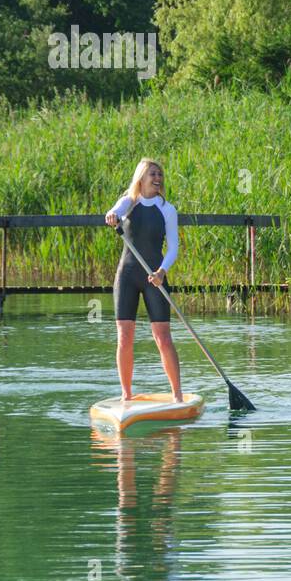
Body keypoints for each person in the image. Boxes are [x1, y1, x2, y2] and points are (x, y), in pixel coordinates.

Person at [104, 158, 183, 403]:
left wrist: (162, 271)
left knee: (162, 337)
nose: (158, 178)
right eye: (153, 174)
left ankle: (177, 395)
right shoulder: (129, 201)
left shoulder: (167, 209)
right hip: (127, 276)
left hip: (154, 277)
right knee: (124, 336)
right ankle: (126, 394)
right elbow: (116, 210)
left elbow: (173, 247)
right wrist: (112, 215)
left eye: (160, 174)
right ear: (141, 177)